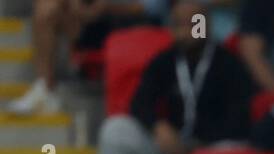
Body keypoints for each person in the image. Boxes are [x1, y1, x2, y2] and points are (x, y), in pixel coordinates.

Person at [96, 0, 254, 154]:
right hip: (170, 151)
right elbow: (139, 104)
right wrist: (159, 127)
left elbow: (241, 120)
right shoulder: (165, 61)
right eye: (178, 24)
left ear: (207, 25)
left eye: (193, 23)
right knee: (116, 130)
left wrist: (198, 148)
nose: (185, 30)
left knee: (236, 147)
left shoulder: (229, 64)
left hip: (212, 153)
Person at [7, 0, 166, 115]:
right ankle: (44, 88)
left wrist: (106, 6)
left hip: (130, 23)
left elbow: (153, 7)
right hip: (90, 16)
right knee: (46, 6)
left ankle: (74, 60)